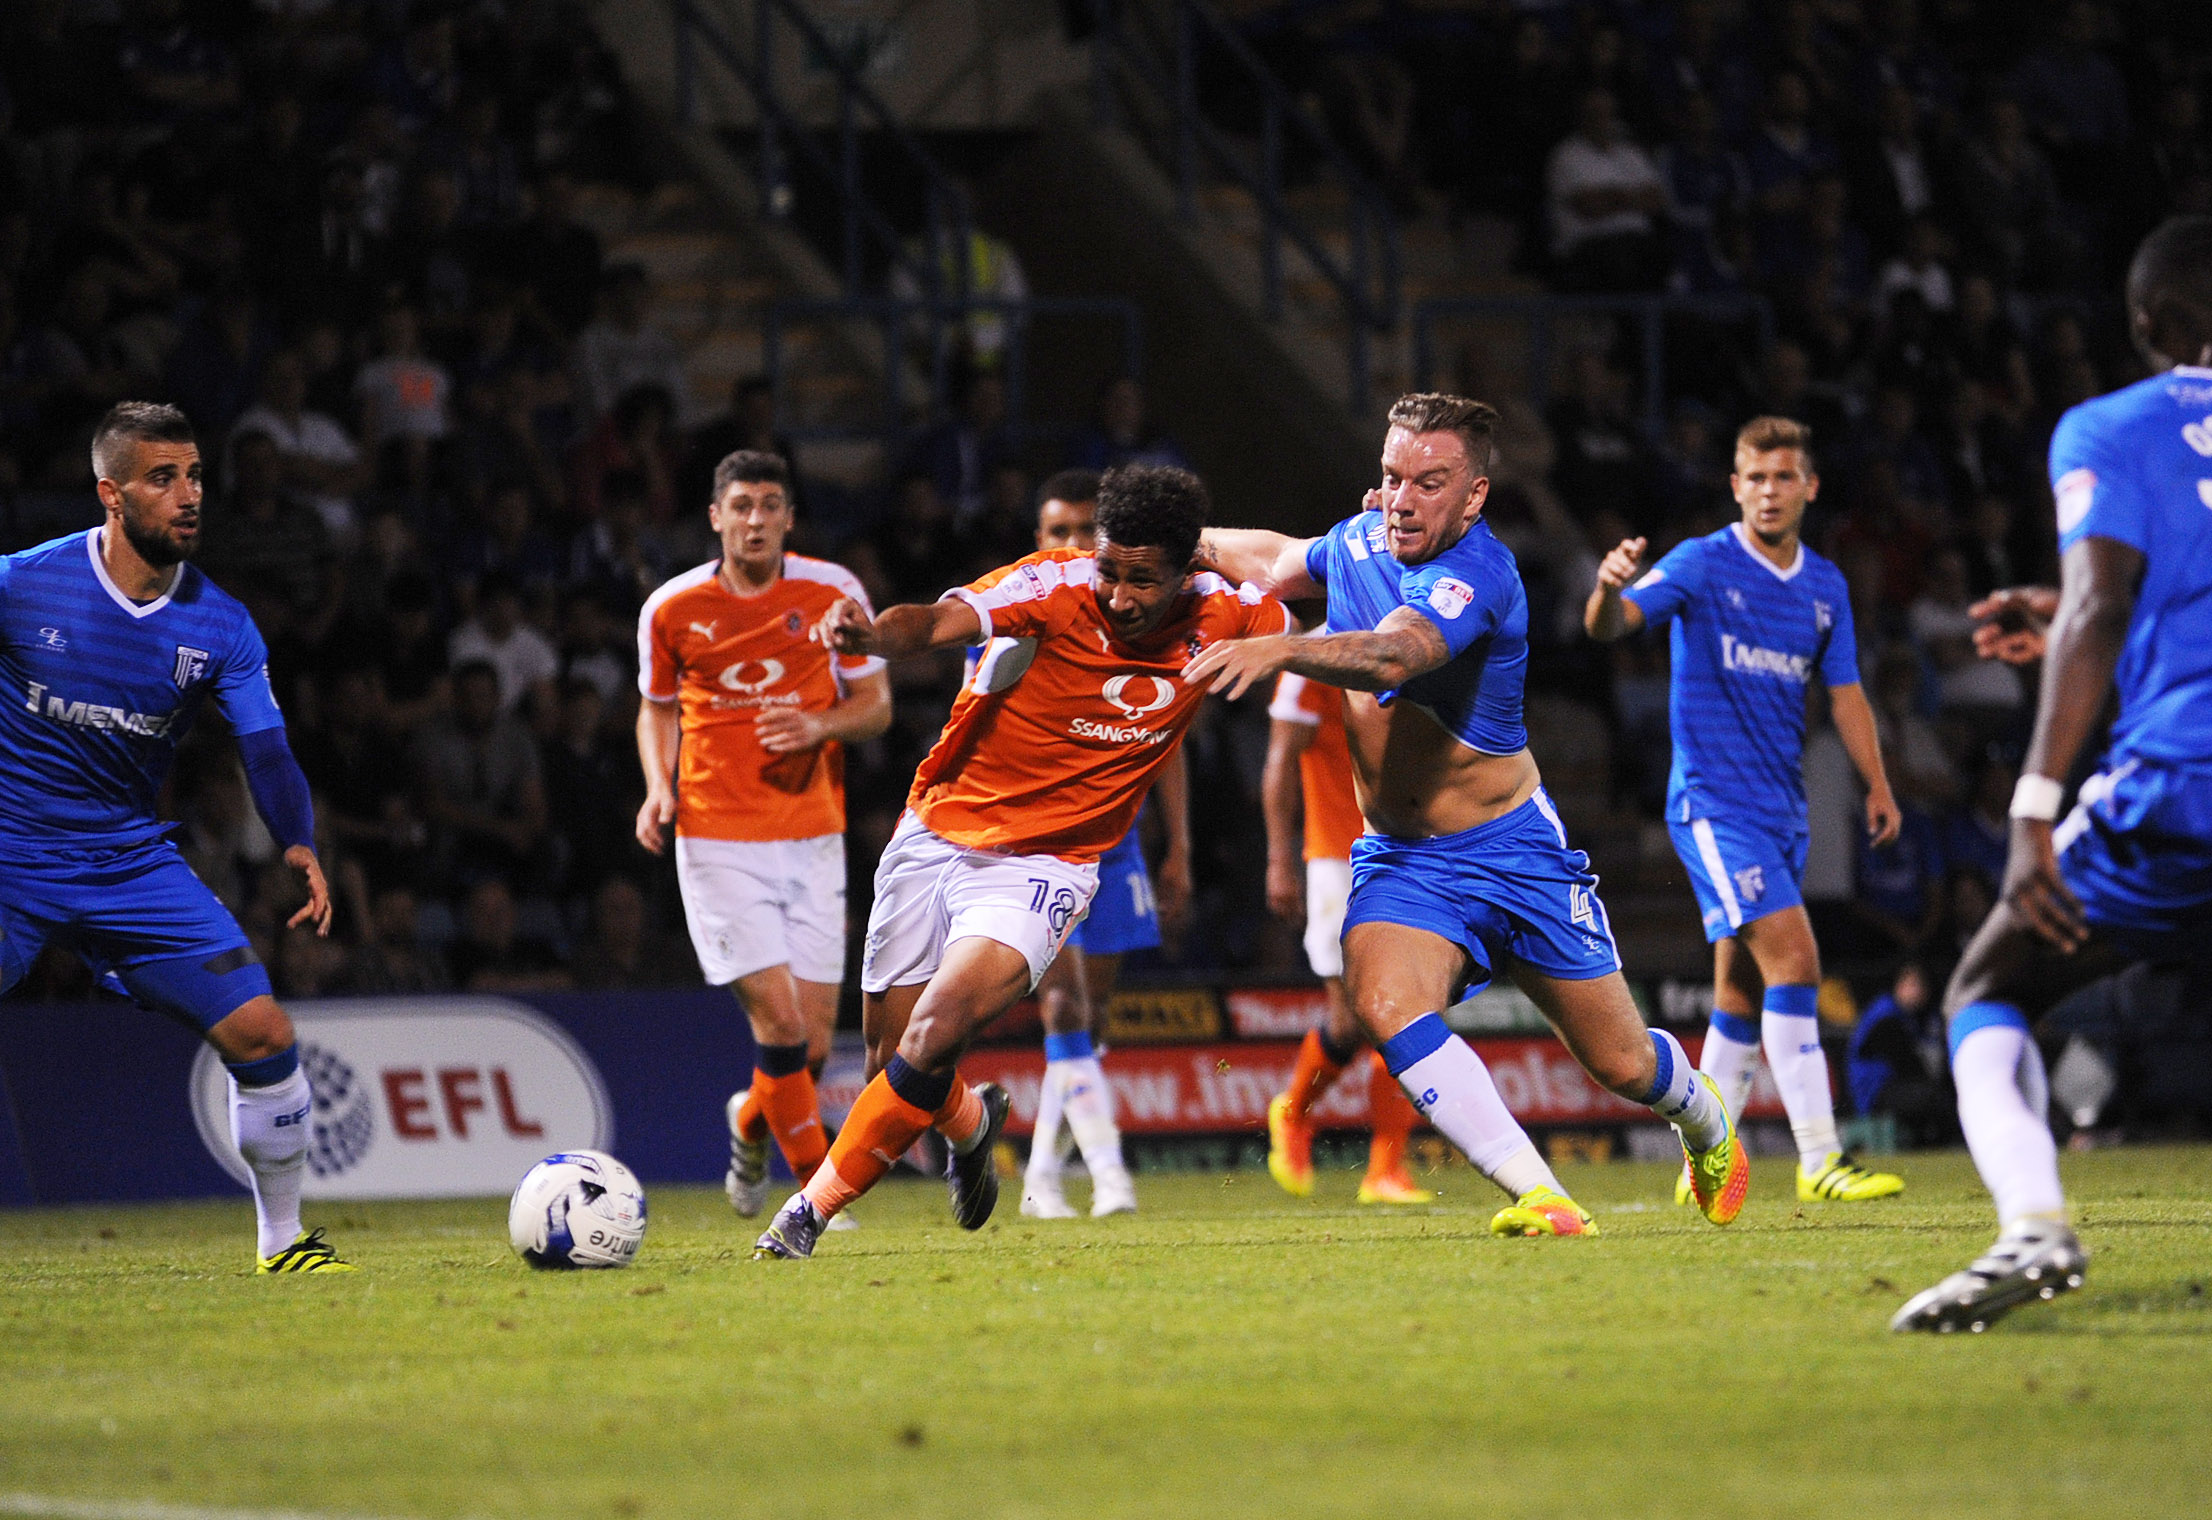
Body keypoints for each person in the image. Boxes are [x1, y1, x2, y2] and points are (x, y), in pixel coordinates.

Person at [1185, 392, 1745, 1240]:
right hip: (1406, 860)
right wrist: (1183, 540)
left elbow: (1394, 653)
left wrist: (1280, 646)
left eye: (1429, 483)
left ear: (1475, 495)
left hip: (1515, 851)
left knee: (1624, 1065)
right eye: (1391, 477)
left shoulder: (1481, 574)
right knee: (1382, 1000)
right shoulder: (1361, 540)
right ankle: (1542, 1195)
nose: (1401, 500)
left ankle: (1702, 1117)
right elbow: (1276, 555)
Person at [752, 464, 1292, 1259]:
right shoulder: (1049, 585)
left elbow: (1307, 570)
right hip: (937, 831)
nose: (1119, 596)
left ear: (1185, 571)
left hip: (1048, 864)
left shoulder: (1229, 612)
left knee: (938, 1027)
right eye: (1110, 572)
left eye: (1144, 580)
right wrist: (870, 636)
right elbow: (933, 623)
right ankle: (972, 1123)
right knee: (888, 1060)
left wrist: (1235, 581)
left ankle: (804, 1216)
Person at [1893, 218, 2212, 1332]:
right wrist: (2074, 604)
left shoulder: (2110, 425)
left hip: (2182, 786)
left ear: (2146, 322)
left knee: (1986, 986)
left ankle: (2033, 1226)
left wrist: (2032, 807)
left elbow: (2104, 603)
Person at [0, 402, 349, 1274]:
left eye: (194, 475)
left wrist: (298, 840)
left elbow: (265, 747)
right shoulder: (23, 584)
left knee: (263, 1033)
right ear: (111, 495)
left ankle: (284, 1244)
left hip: (129, 863)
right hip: (13, 854)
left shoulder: (220, 624)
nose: (189, 495)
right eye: (163, 478)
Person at [1584, 415, 1909, 1205]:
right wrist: (1606, 589)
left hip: (1783, 811)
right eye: (1755, 478)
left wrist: (1877, 782)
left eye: (1783, 477)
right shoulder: (1701, 563)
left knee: (1739, 991)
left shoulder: (1825, 586)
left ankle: (1703, 1159)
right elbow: (1613, 627)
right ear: (1735, 486)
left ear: (1809, 487)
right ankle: (1821, 1158)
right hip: (1713, 806)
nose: (1769, 491)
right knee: (1796, 962)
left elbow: (1845, 694)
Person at [636, 450, 892, 1227]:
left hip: (813, 833)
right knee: (777, 1024)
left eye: (770, 506)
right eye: (742, 506)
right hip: (716, 836)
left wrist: (818, 725)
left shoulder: (835, 591)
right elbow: (657, 707)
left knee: (807, 1050)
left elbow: (876, 706)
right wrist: (658, 785)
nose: (756, 520)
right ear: (716, 517)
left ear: (789, 518)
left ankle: (749, 1122)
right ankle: (819, 1198)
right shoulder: (671, 608)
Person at [1011, 470, 1192, 1221]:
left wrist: (1180, 845)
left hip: (1116, 847)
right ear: (1038, 539)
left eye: (1086, 531)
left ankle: (1041, 1180)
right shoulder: (1019, 615)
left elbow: (1167, 739)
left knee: (1093, 1020)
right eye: (1058, 531)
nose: (1073, 543)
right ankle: (1112, 1177)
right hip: (1039, 844)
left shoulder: (1143, 623)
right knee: (1063, 1007)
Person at [1262, 659, 1432, 1205]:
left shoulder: (1418, 642)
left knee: (1411, 1009)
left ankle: (1385, 1170)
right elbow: (1281, 759)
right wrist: (1279, 859)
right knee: (1352, 1021)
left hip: (1413, 852)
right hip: (1338, 857)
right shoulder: (1312, 662)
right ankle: (1293, 1113)